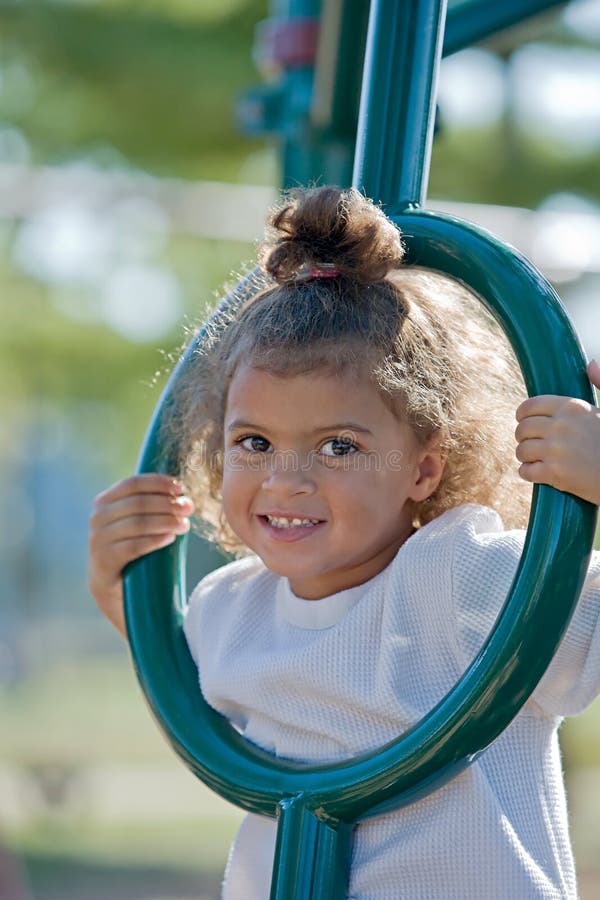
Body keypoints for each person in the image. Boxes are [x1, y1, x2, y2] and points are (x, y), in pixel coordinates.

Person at [88, 186, 600, 900]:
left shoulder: (459, 575)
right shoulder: (231, 606)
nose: (286, 481)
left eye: (338, 446)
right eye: (255, 442)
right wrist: (119, 585)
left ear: (424, 468)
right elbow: (182, 674)